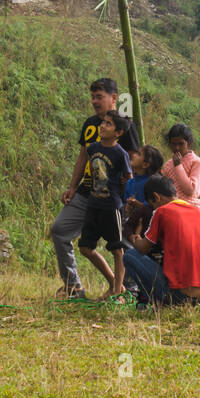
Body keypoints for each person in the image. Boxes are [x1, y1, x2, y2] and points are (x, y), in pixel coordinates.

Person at [50, 77, 140, 299]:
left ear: (114, 98)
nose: (94, 101)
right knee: (60, 230)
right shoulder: (90, 125)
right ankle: (74, 287)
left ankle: (130, 291)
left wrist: (130, 195)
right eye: (92, 97)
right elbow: (82, 157)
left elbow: (134, 161)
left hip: (113, 198)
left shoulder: (125, 126)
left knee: (120, 246)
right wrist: (72, 187)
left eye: (99, 97)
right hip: (86, 192)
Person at [121, 175, 200, 306]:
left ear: (156, 197)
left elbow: (143, 248)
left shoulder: (162, 211)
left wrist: (134, 237)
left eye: (152, 204)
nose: (153, 208)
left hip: (180, 296)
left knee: (130, 256)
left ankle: (156, 303)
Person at [77, 112, 133, 299]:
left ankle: (117, 292)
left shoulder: (120, 154)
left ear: (118, 132)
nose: (102, 126)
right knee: (85, 247)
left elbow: (128, 178)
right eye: (103, 122)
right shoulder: (93, 148)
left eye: (108, 124)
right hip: (93, 205)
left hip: (112, 207)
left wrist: (126, 201)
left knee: (117, 249)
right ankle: (113, 281)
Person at [122, 144, 164, 246]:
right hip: (130, 226)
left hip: (147, 231)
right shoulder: (130, 183)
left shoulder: (152, 184)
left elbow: (155, 209)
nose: (134, 155)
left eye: (139, 154)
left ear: (145, 165)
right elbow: (125, 204)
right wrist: (127, 207)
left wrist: (139, 205)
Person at [161, 123, 200, 206]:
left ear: (188, 143)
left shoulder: (197, 162)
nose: (177, 148)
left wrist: (178, 166)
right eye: (173, 144)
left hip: (190, 207)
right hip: (171, 207)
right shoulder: (168, 164)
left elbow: (190, 190)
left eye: (181, 144)